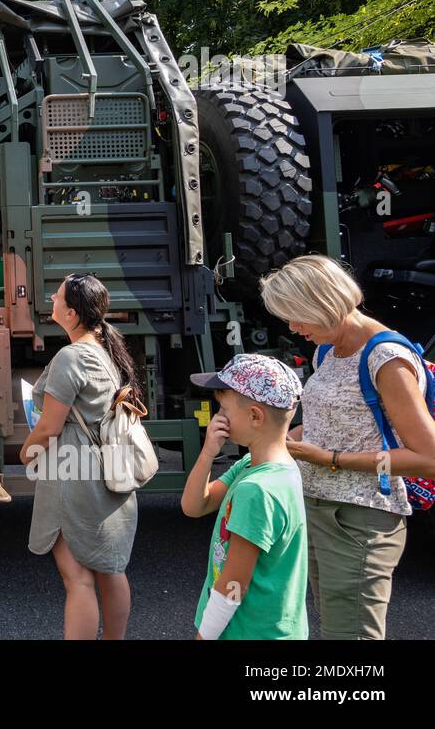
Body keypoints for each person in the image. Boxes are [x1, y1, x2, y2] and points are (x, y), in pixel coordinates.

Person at [259, 254, 435, 639]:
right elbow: (337, 423)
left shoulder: (386, 358)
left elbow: (428, 459)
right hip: (321, 509)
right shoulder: (328, 349)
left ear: (321, 304)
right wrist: (289, 438)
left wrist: (332, 460)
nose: (292, 327)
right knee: (337, 627)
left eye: (295, 315)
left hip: (361, 518)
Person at [20, 273, 140, 639]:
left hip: (74, 476)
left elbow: (49, 428)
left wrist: (27, 452)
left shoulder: (70, 357)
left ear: (71, 313)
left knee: (78, 579)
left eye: (56, 298)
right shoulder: (108, 351)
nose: (51, 301)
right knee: (110, 568)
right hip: (108, 468)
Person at [182, 354, 308, 640]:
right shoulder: (263, 467)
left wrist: (204, 636)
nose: (219, 417)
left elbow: (233, 584)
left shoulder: (257, 490)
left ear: (255, 416)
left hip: (246, 632)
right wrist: (207, 453)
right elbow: (194, 506)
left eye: (224, 408)